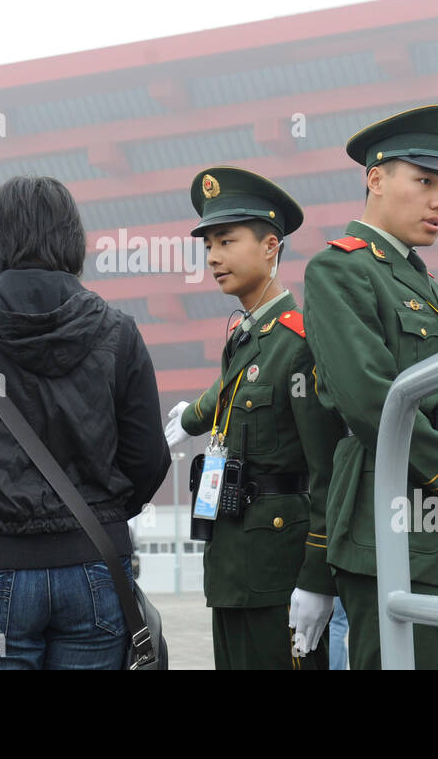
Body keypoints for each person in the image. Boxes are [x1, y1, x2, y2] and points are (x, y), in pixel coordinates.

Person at [0, 175, 170, 670]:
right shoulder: (119, 330)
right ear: (75, 240)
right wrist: (103, 513)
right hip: (92, 566)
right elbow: (148, 459)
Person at [302, 104, 438, 670]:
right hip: (393, 520)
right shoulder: (341, 269)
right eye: (424, 181)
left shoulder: (425, 283)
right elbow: (373, 401)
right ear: (375, 178)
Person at [163, 167, 343, 669]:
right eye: (208, 246)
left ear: (270, 246)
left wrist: (316, 578)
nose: (214, 257)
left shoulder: (299, 344)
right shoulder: (245, 340)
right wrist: (195, 417)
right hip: (233, 565)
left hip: (280, 573)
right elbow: (221, 403)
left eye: (226, 241)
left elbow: (327, 471)